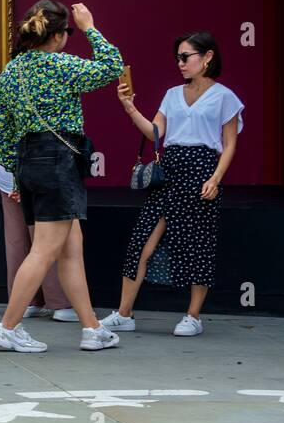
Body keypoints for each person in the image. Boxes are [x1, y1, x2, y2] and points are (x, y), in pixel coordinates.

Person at [0, 0, 124, 352]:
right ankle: (8, 326)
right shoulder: (61, 65)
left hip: (29, 160)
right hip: (59, 160)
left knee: (70, 249)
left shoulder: (12, 71)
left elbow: (1, 131)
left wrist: (16, 176)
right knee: (46, 250)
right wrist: (91, 26)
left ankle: (92, 328)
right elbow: (112, 67)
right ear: (59, 35)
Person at [101, 32, 243, 337]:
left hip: (203, 170)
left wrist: (215, 178)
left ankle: (193, 316)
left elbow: (229, 144)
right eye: (178, 57)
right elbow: (155, 133)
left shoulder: (225, 96)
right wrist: (128, 106)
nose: (180, 63)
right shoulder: (172, 94)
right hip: (170, 171)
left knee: (197, 245)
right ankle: (124, 313)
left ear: (207, 57)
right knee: (142, 241)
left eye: (186, 56)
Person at [0, 99, 75, 322]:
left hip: (7, 172)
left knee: (16, 241)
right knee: (47, 240)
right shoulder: (45, 82)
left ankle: (24, 301)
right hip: (39, 168)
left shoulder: (8, 82)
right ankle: (59, 302)